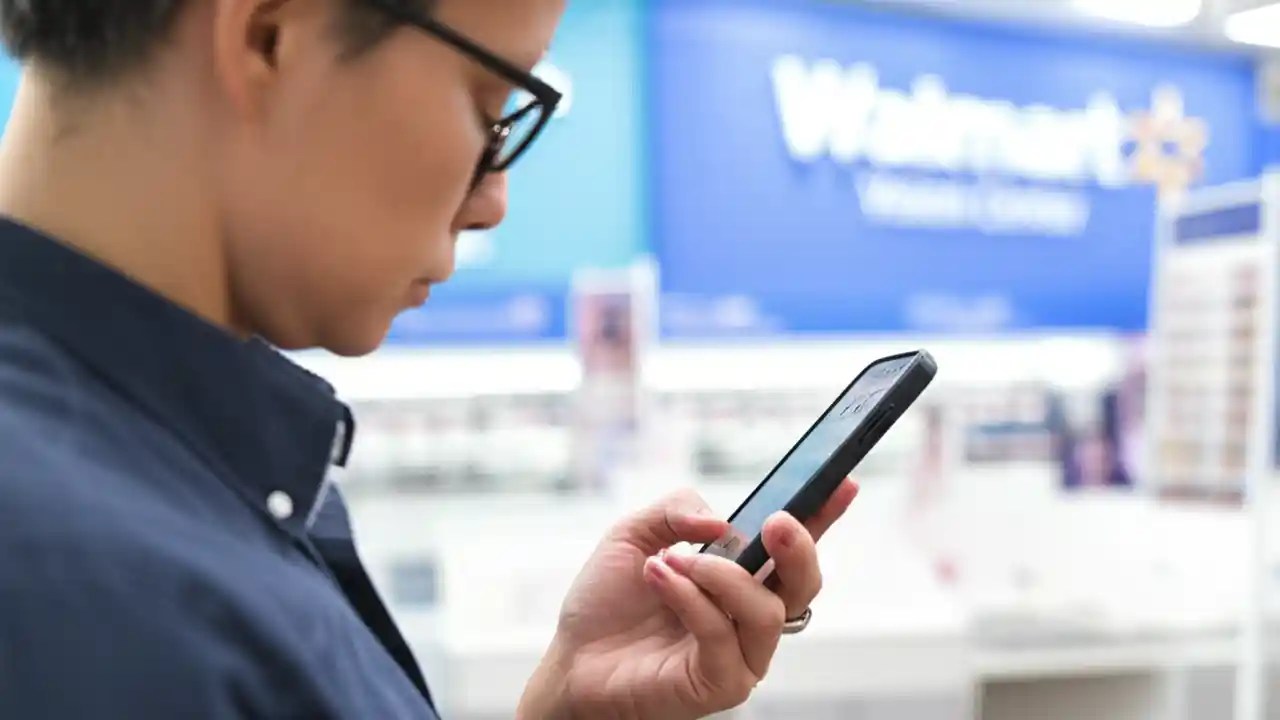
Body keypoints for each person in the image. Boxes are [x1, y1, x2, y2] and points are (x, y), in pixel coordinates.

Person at [0, 1, 859, 718]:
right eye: (492, 112)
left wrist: (566, 706)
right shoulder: (93, 602)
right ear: (269, 34)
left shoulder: (173, 478)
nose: (492, 203)